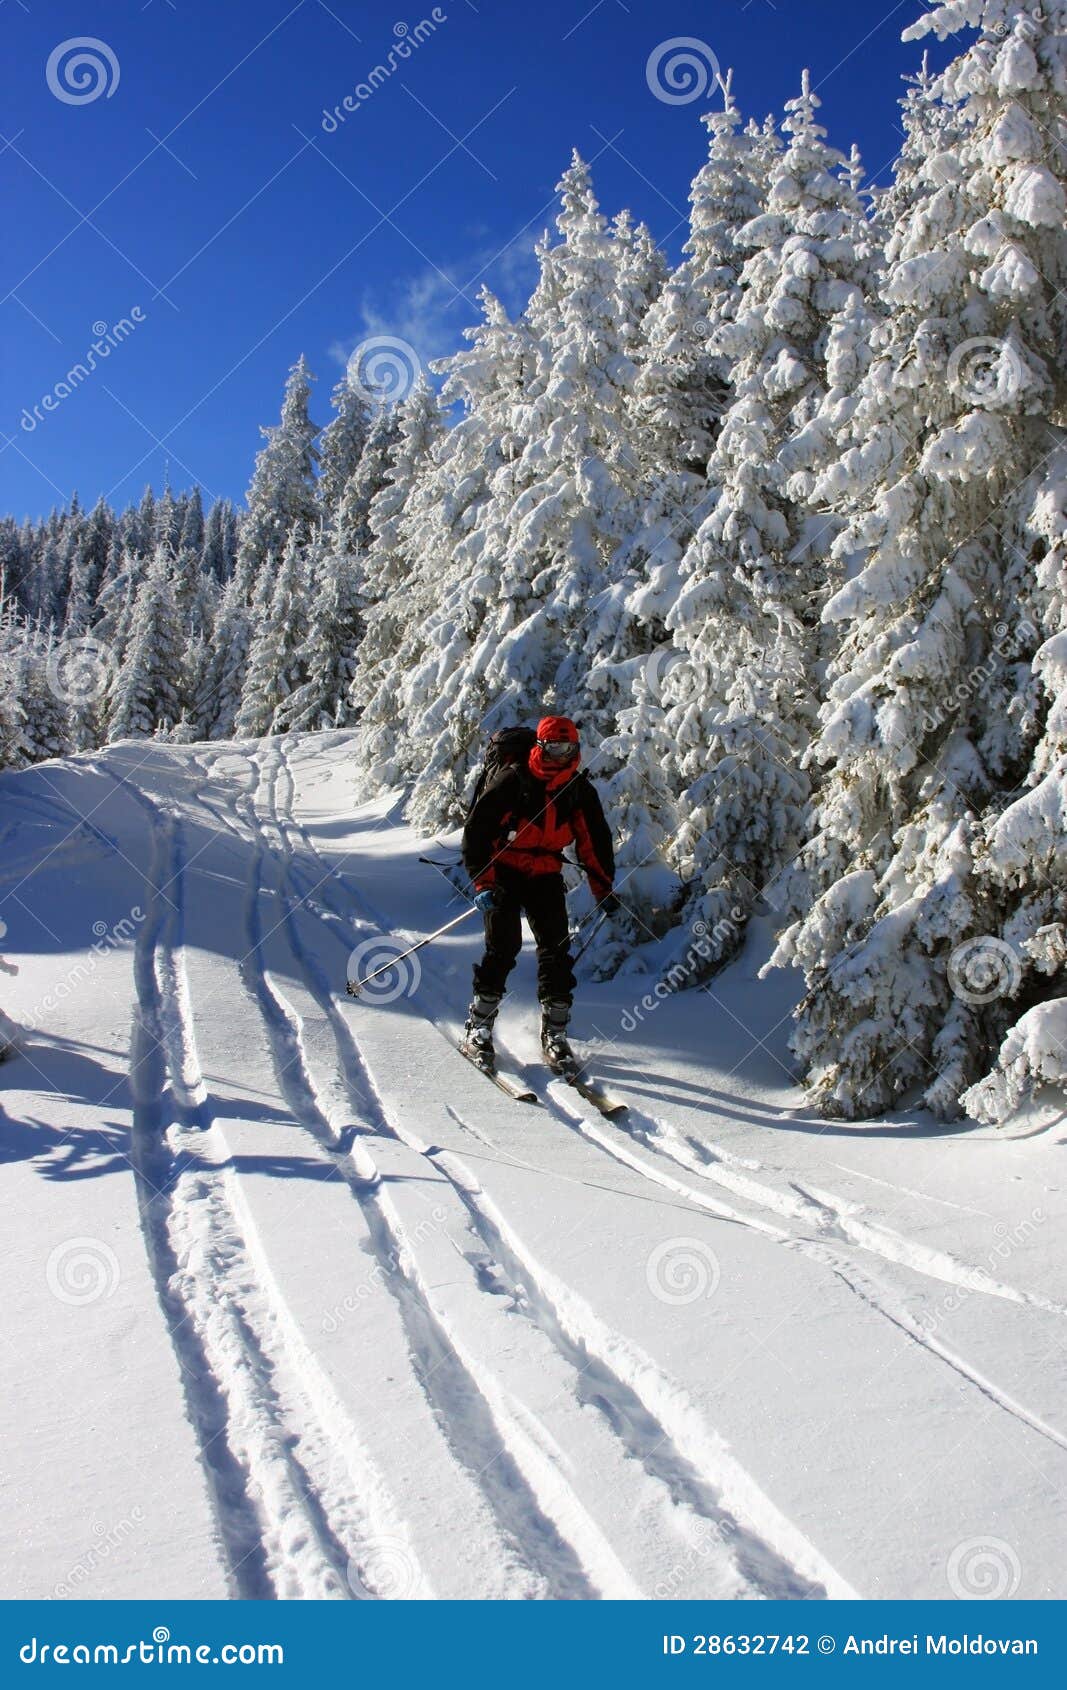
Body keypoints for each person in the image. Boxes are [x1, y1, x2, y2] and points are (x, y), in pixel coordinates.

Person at [461, 714, 617, 1068]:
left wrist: (603, 888)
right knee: (503, 945)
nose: (562, 756)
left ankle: (555, 1034)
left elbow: (594, 842)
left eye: (569, 749)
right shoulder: (512, 779)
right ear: (541, 747)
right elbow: (477, 832)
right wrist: (483, 882)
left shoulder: (577, 790)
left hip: (545, 873)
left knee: (556, 949)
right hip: (504, 870)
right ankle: (479, 1026)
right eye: (555, 748)